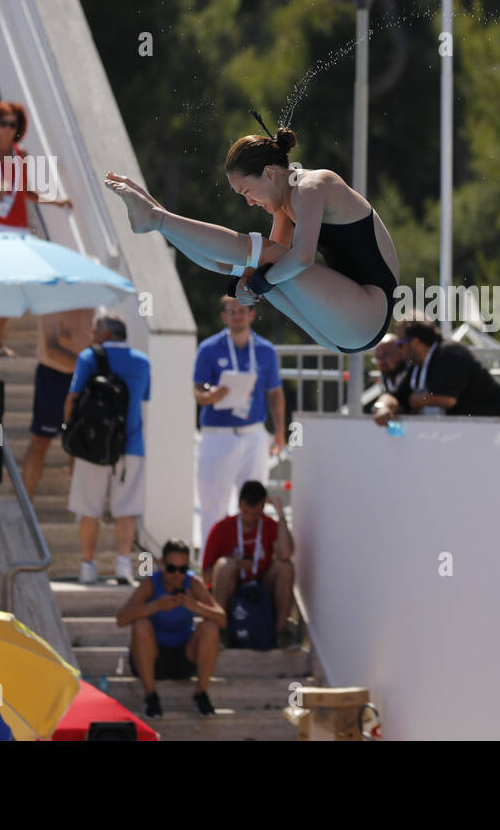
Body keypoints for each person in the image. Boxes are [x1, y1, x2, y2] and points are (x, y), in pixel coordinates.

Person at [103, 112, 400, 353]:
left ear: (270, 173)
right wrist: (247, 283)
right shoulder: (285, 203)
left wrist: (258, 283)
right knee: (259, 261)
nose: (248, 201)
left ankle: (158, 218)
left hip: (368, 313)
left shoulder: (312, 185)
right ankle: (158, 220)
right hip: (337, 329)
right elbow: (260, 263)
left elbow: (302, 258)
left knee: (269, 258)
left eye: (247, 191)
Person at [0, 101, 72, 356]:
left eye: (13, 124)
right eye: (3, 123)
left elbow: (27, 192)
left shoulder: (23, 156)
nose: (8, 129)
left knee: (10, 285)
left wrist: (56, 201)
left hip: (16, 227)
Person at [65, 311, 151, 585]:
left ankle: (87, 566)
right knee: (127, 510)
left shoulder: (89, 358)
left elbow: (73, 398)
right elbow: (144, 400)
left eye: (94, 331)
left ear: (106, 334)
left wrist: (71, 439)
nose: (91, 336)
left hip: (92, 446)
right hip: (130, 447)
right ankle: (123, 565)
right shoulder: (142, 362)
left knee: (88, 509)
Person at [193, 297, 285, 550]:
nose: (237, 316)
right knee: (214, 504)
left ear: (251, 314)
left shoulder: (265, 350)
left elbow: (275, 392)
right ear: (224, 316)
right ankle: (211, 567)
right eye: (231, 312)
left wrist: (279, 432)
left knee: (253, 503)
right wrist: (211, 396)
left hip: (254, 433)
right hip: (218, 434)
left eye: (242, 311)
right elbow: (198, 392)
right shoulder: (209, 348)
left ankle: (251, 564)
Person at [116, 540, 225, 719]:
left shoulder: (193, 583)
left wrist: (195, 606)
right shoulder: (151, 583)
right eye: (172, 568)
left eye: (182, 569)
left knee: (210, 628)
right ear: (162, 564)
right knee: (140, 625)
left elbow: (221, 620)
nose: (177, 575)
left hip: (184, 657)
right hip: (153, 657)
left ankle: (201, 694)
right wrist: (155, 607)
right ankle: (151, 696)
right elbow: (121, 619)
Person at [372, 320, 500, 424]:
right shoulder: (417, 366)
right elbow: (396, 395)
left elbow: (448, 398)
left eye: (400, 344)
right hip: (476, 430)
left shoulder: (451, 352)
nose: (400, 350)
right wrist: (383, 407)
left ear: (416, 343)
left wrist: (422, 399)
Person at [203, 481, 297, 649]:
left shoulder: (269, 525)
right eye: (246, 512)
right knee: (225, 565)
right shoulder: (221, 528)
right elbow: (205, 576)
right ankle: (220, 631)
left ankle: (281, 632)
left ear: (263, 507)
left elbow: (286, 553)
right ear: (239, 504)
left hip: (260, 591)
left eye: (256, 514)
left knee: (285, 567)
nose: (250, 519)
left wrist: (280, 513)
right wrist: (236, 565)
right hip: (231, 590)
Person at [23, 307, 94, 499]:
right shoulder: (53, 301)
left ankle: (80, 506)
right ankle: (25, 504)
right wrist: (87, 366)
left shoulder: (90, 301)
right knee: (40, 441)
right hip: (54, 376)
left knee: (79, 443)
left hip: (82, 379)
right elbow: (51, 349)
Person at [363, 333, 408, 412]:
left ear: (401, 352)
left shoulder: (413, 373)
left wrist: (383, 406)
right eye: (378, 357)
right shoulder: (386, 377)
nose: (381, 362)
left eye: (385, 355)